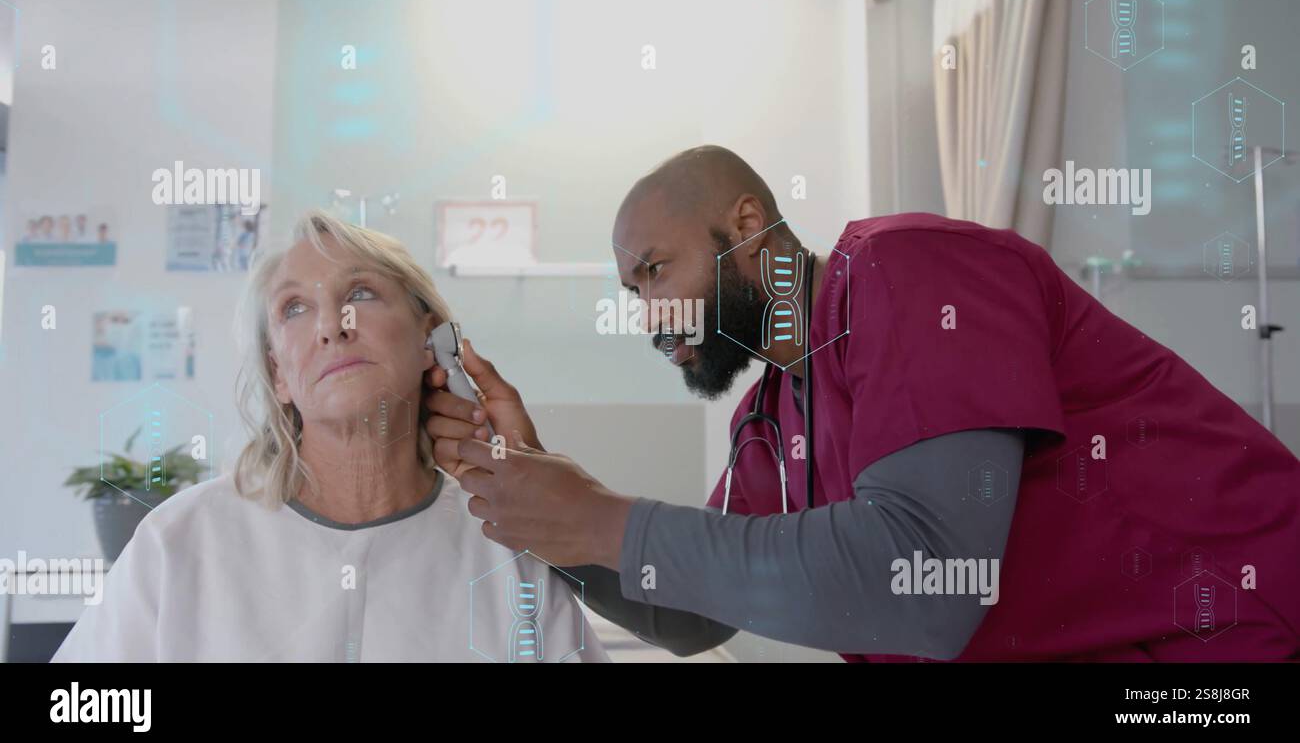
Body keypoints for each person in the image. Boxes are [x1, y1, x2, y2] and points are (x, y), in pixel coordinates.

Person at [427, 145, 1300, 662]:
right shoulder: (769, 422)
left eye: (656, 269)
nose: (648, 315)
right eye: (629, 290)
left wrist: (601, 517)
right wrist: (537, 496)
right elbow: (688, 611)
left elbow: (925, 577)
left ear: (749, 223)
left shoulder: (908, 271)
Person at [53, 211, 607, 663]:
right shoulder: (179, 544)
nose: (330, 325)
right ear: (278, 375)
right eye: (295, 308)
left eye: (361, 293)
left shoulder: (507, 549)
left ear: (430, 339)